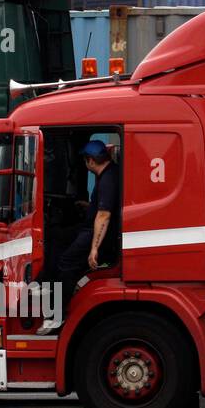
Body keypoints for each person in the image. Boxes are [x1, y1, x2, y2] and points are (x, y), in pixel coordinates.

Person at [38, 140, 120, 333]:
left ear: (91, 160)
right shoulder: (109, 173)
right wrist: (88, 206)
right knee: (57, 236)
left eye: (85, 159)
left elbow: (104, 215)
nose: (85, 162)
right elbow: (99, 209)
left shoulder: (108, 179)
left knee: (66, 262)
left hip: (96, 233)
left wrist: (94, 249)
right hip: (88, 227)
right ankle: (44, 280)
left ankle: (56, 316)